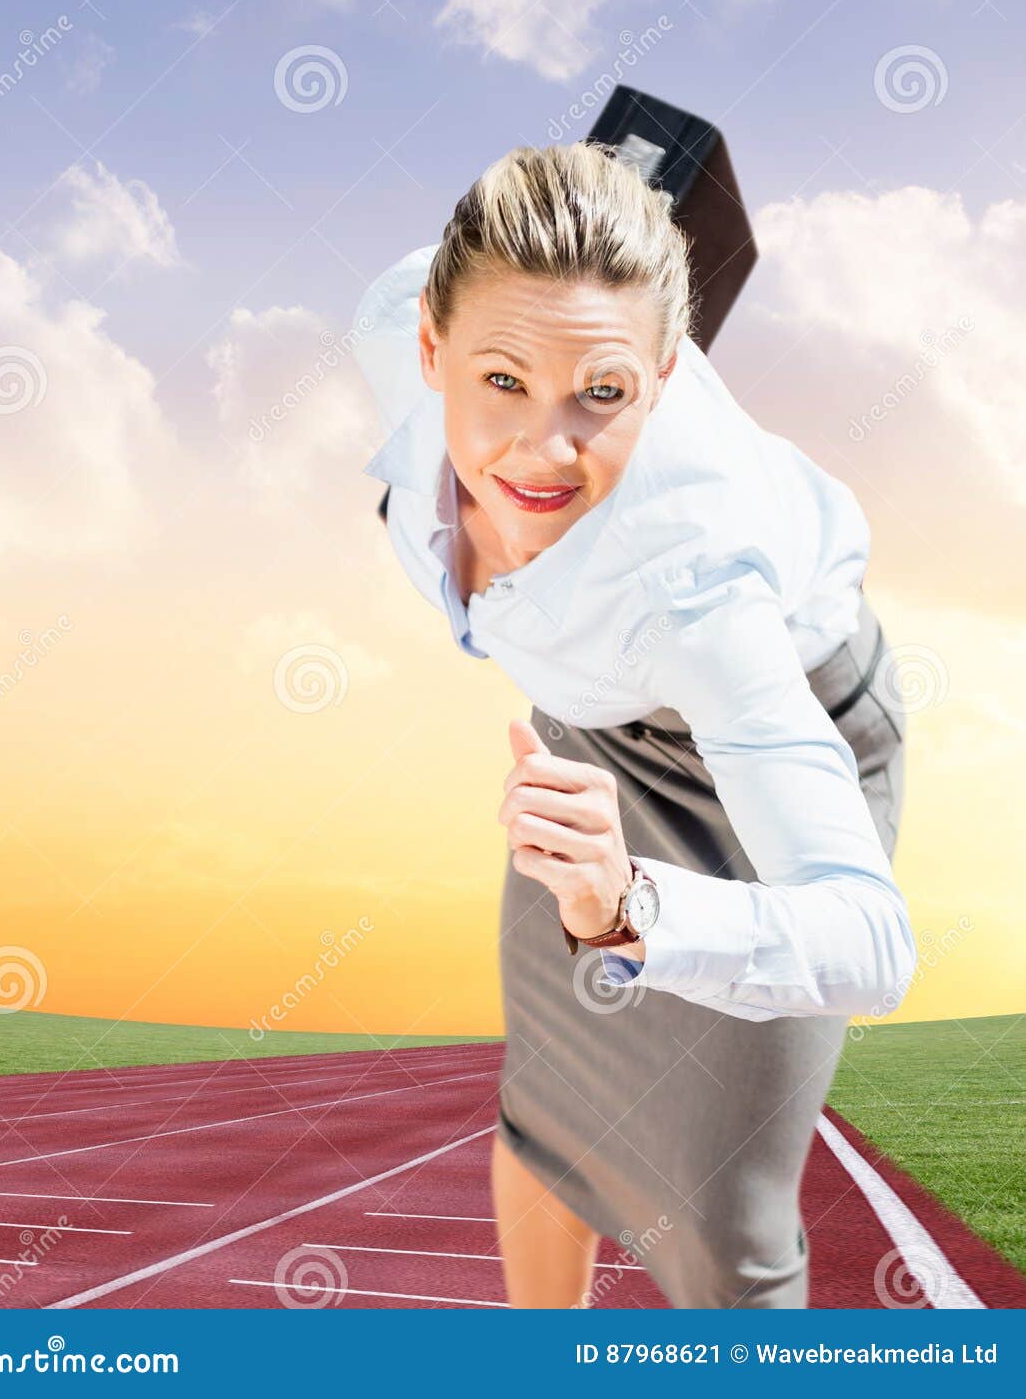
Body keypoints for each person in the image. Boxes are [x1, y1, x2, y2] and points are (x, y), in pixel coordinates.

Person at [352, 141, 915, 1309]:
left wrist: (627, 910)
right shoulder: (389, 319)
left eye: (601, 396)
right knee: (551, 1107)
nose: (542, 453)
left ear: (661, 380)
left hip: (755, 740)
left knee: (719, 1217)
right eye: (500, 382)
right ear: (426, 348)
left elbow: (872, 944)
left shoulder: (700, 587)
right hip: (592, 739)